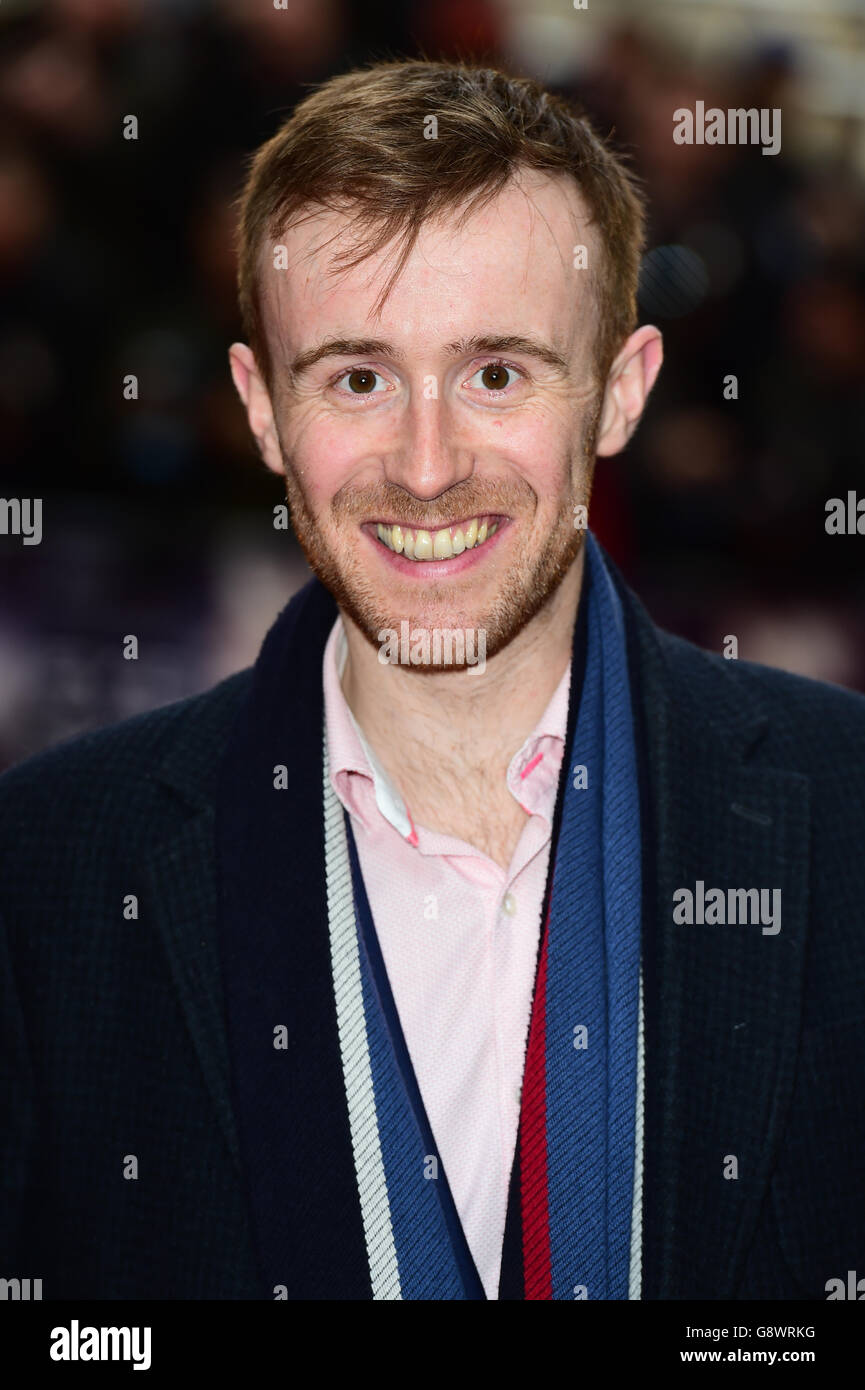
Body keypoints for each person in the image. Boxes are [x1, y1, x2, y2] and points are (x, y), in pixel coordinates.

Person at [1, 60, 864, 1302]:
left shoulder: (845, 814)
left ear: (619, 392)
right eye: (356, 377)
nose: (424, 466)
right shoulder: (48, 869)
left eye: (496, 373)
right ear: (261, 408)